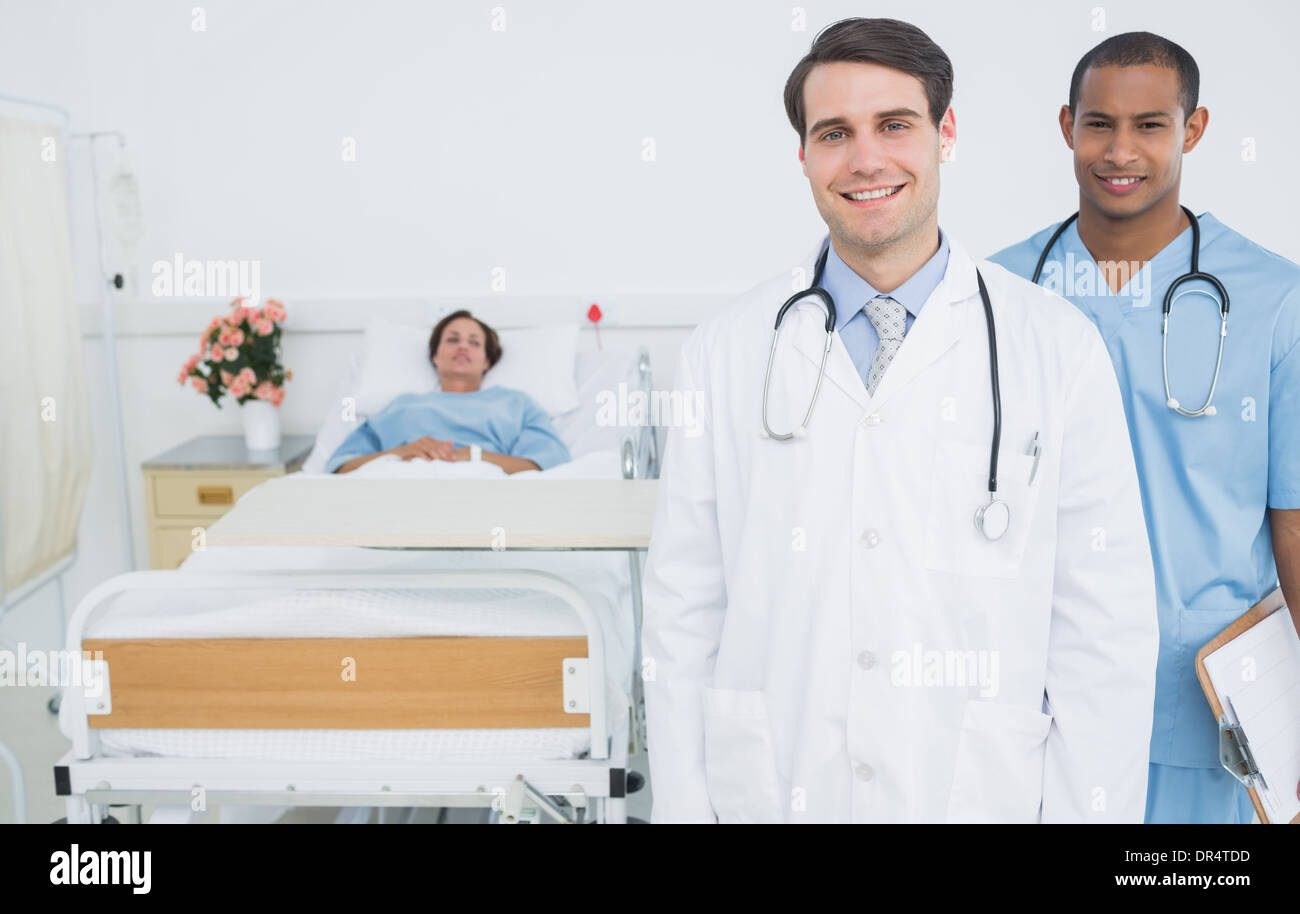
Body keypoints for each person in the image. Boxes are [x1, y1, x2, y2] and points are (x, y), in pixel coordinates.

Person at [640, 17, 1159, 823]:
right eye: (834, 133)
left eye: (894, 125)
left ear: (945, 133)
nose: (866, 159)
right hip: (775, 794)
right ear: (804, 156)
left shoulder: (1055, 346)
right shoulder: (728, 351)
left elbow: (1106, 635)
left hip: (976, 796)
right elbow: (680, 620)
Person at [990, 32, 1300, 825]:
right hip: (1034, 698)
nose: (1120, 150)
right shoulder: (997, 295)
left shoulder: (1275, 300)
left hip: (1203, 705)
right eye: (1099, 124)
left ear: (1191, 130)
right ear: (1067, 126)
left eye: (1151, 125)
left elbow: (1293, 522)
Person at [326, 310, 570, 475]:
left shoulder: (515, 404)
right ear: (435, 356)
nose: (463, 346)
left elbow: (544, 469)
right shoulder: (402, 406)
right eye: (453, 340)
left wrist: (472, 456)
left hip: (483, 486)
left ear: (487, 362)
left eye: (474, 342)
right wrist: (399, 452)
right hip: (403, 484)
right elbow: (340, 469)